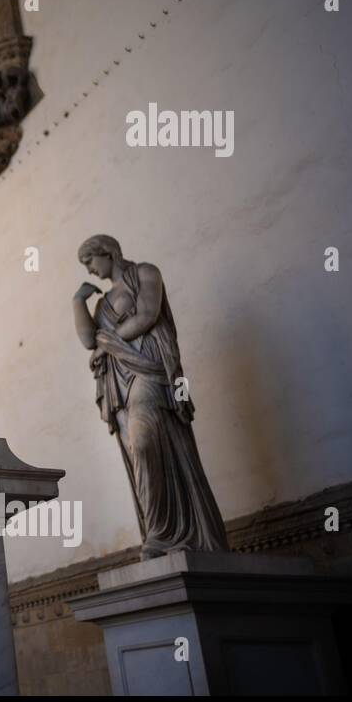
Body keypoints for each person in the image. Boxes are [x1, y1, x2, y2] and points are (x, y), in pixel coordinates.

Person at [73, 234, 228, 558]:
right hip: (117, 380)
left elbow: (147, 315)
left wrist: (107, 343)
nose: (89, 270)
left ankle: (163, 533)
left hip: (149, 369)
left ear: (108, 253)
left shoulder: (145, 273)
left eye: (89, 261)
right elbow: (89, 340)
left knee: (144, 443)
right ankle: (160, 534)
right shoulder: (101, 303)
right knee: (136, 451)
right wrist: (78, 302)